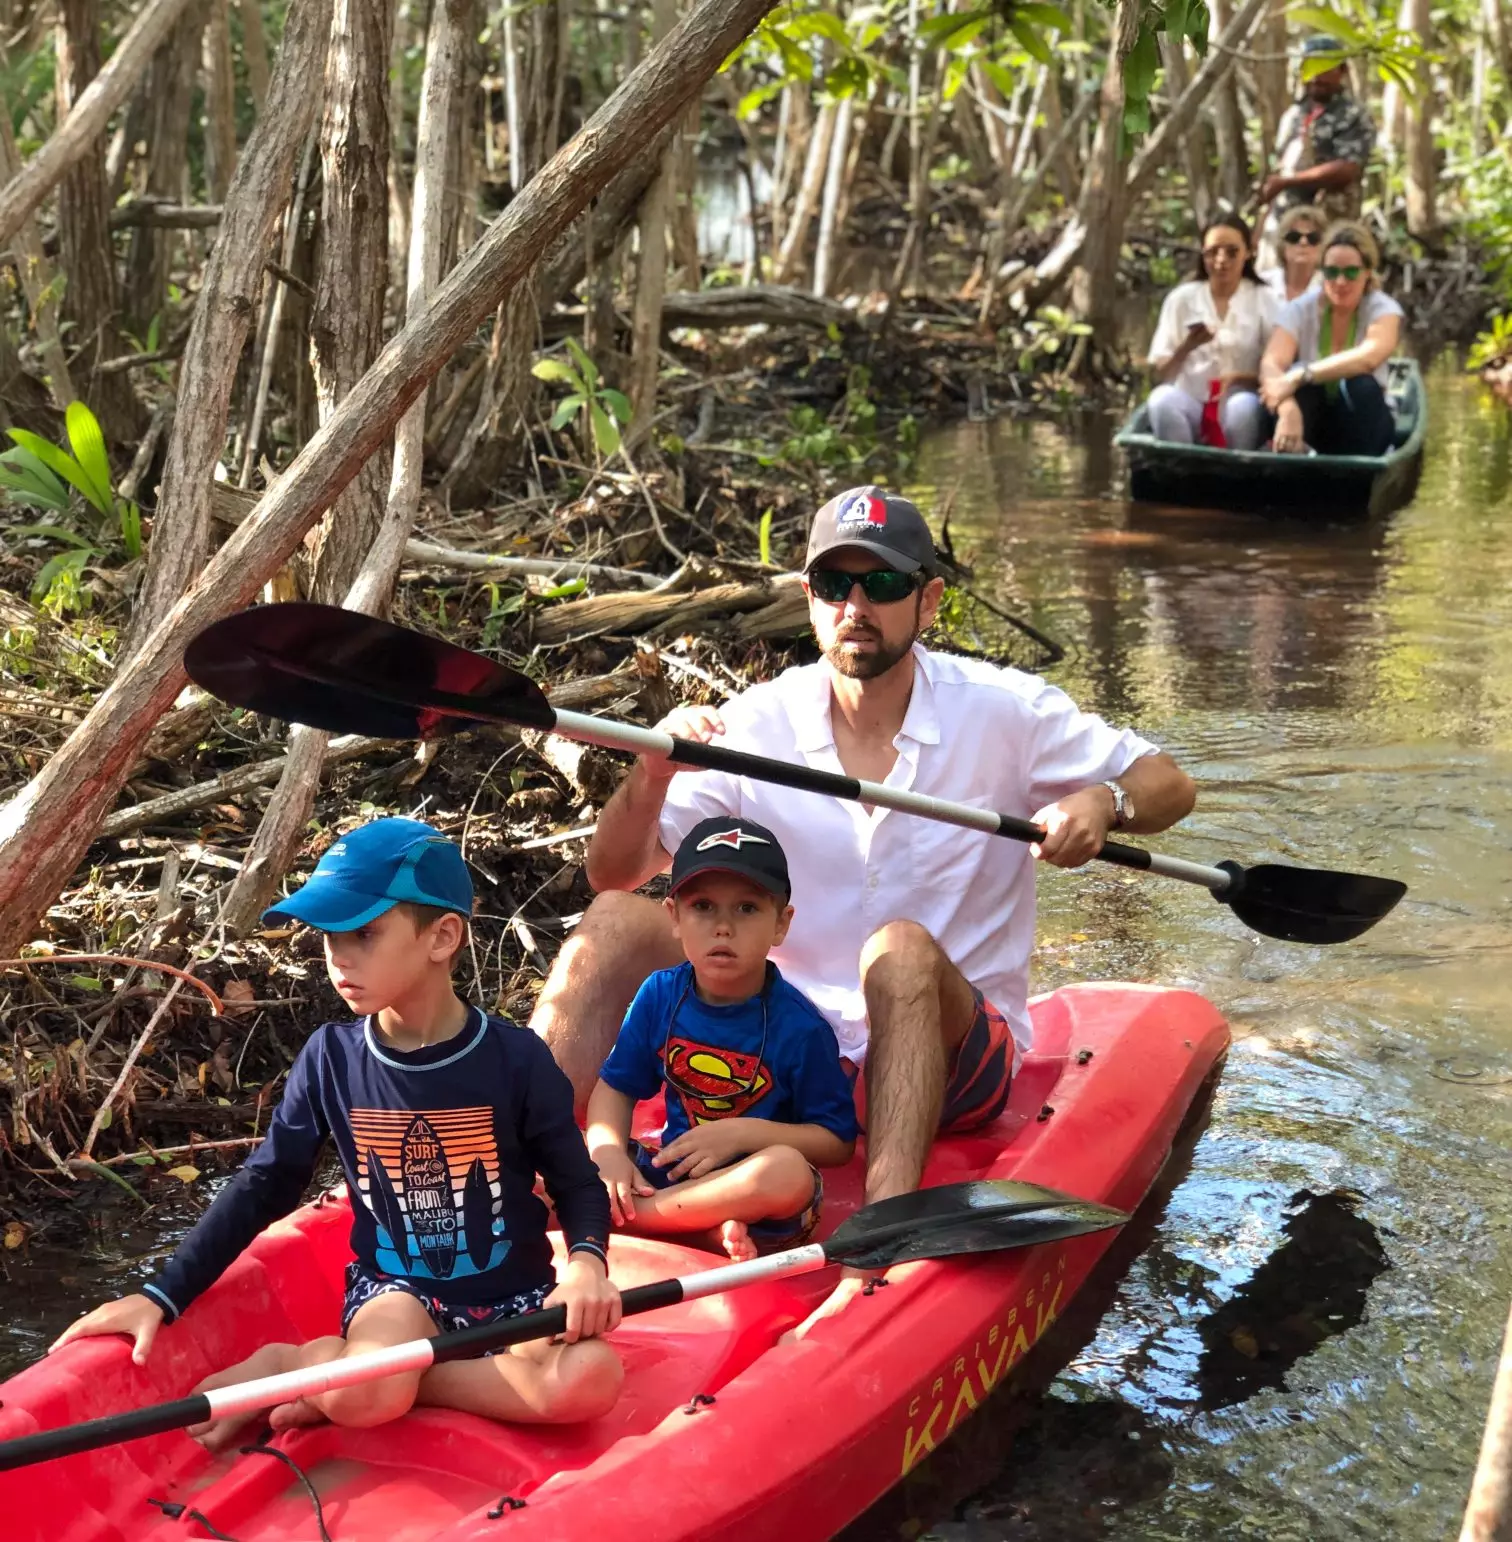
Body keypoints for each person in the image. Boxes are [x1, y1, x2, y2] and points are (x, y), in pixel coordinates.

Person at [531, 487, 1196, 1323]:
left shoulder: (1005, 712)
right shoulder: (755, 722)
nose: (858, 607)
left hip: (951, 1052)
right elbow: (614, 871)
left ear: (929, 599)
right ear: (809, 600)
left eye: (882, 586)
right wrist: (656, 765)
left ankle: (877, 1250)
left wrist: (1103, 804)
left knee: (899, 947)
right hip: (790, 1055)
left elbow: (1168, 781)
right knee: (616, 923)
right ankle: (518, 1169)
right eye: (836, 586)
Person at [51, 817, 622, 1445]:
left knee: (593, 1379)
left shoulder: (515, 1058)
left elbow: (576, 1183)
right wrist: (160, 1294)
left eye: (364, 934)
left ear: (443, 936)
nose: (339, 957)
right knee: (366, 1390)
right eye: (329, 938)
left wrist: (587, 1265)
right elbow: (266, 1183)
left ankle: (333, 1378)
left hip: (514, 1300)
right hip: (399, 1296)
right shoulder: (331, 1057)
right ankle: (305, 1366)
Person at [586, 817, 858, 1263]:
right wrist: (608, 1155)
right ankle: (703, 1232)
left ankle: (642, 1219)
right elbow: (615, 1088)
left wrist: (739, 1134)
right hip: (675, 1172)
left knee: (788, 1173)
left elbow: (836, 1142)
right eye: (704, 907)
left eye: (747, 908)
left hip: (758, 1201)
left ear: (781, 924)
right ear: (674, 916)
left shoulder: (802, 1028)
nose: (723, 927)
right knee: (563, 1149)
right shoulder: (660, 994)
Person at [1260, 221, 1404, 458]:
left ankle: (1362, 471)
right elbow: (1271, 364)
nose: (1340, 282)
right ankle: (1294, 461)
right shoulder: (1299, 309)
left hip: (1361, 423)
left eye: (1350, 273)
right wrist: (1287, 410)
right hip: (1315, 420)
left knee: (1361, 385)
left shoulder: (1383, 309)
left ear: (1367, 272)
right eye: (1332, 272)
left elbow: (1369, 357)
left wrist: (1302, 374)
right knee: (1298, 389)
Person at [1144, 213, 1276, 451]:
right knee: (1161, 401)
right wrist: (1187, 347)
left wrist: (1237, 378)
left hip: (1240, 403)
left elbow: (1278, 370)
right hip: (1192, 402)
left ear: (1248, 253)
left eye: (1231, 252)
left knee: (1242, 409)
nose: (1221, 260)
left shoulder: (1265, 299)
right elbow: (1159, 374)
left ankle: (1234, 475)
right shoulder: (1181, 299)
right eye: (1212, 252)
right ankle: (1181, 471)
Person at [1257, 35, 1376, 267]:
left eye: (1324, 68)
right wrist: (1258, 231)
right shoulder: (1293, 115)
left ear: (1341, 71)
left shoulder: (1353, 115)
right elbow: (1277, 174)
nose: (1316, 76)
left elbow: (1347, 169)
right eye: (1310, 67)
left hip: (1329, 228)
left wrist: (1288, 182)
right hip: (1284, 227)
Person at [1258, 204, 1325, 303]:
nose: (1303, 242)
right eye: (1294, 237)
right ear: (1282, 244)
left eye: (1312, 238)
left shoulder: (1331, 288)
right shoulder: (1260, 285)